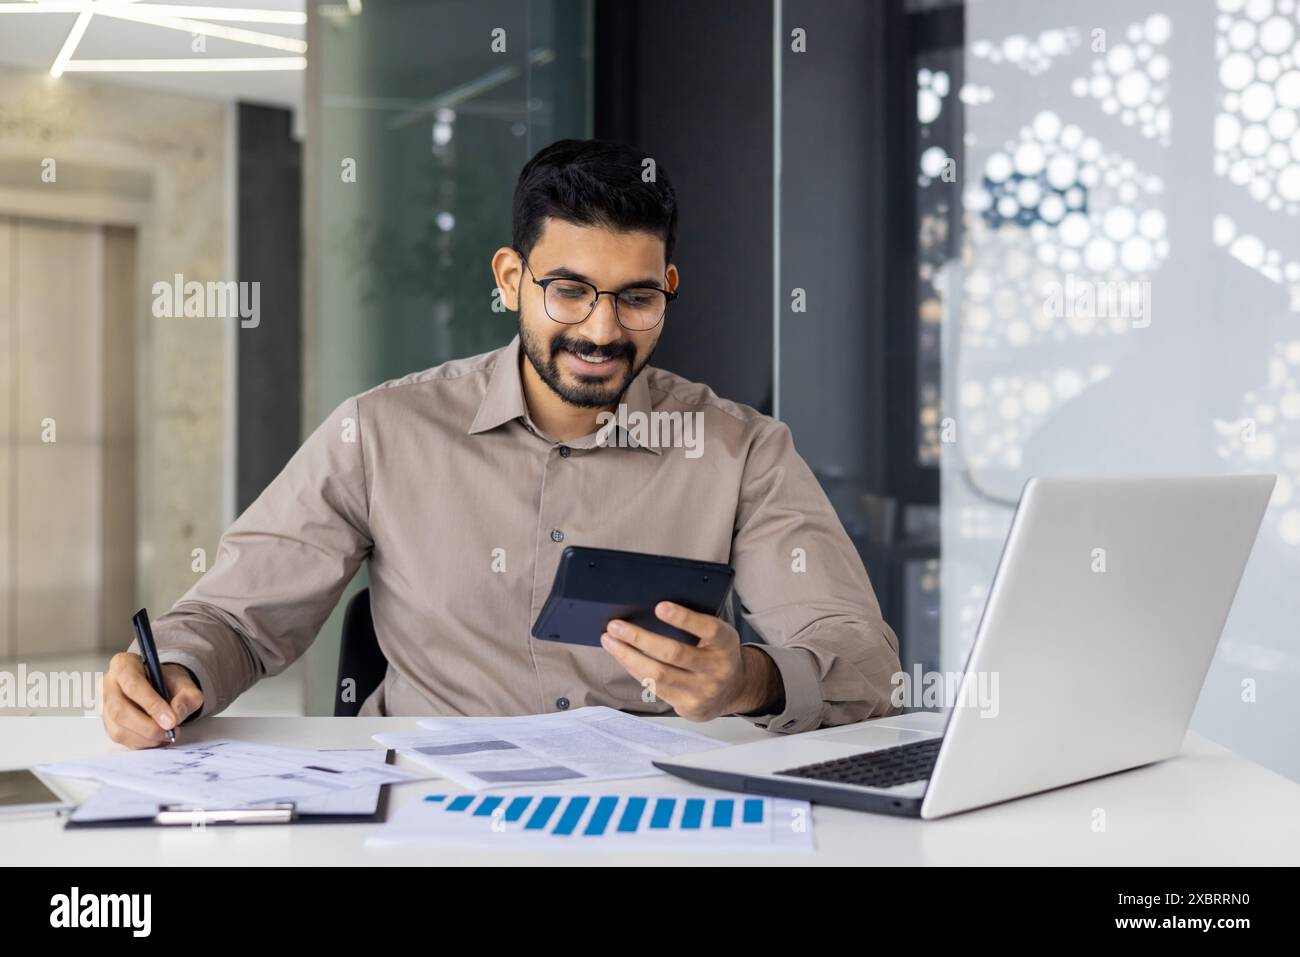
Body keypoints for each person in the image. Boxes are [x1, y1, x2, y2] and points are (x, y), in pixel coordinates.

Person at [102, 138, 900, 748]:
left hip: (648, 820)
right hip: (420, 811)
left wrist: (751, 679)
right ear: (512, 279)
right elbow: (238, 617)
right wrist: (172, 668)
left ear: (669, 291)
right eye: (570, 291)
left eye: (637, 297)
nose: (602, 328)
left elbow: (860, 659)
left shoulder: (740, 449)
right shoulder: (382, 430)